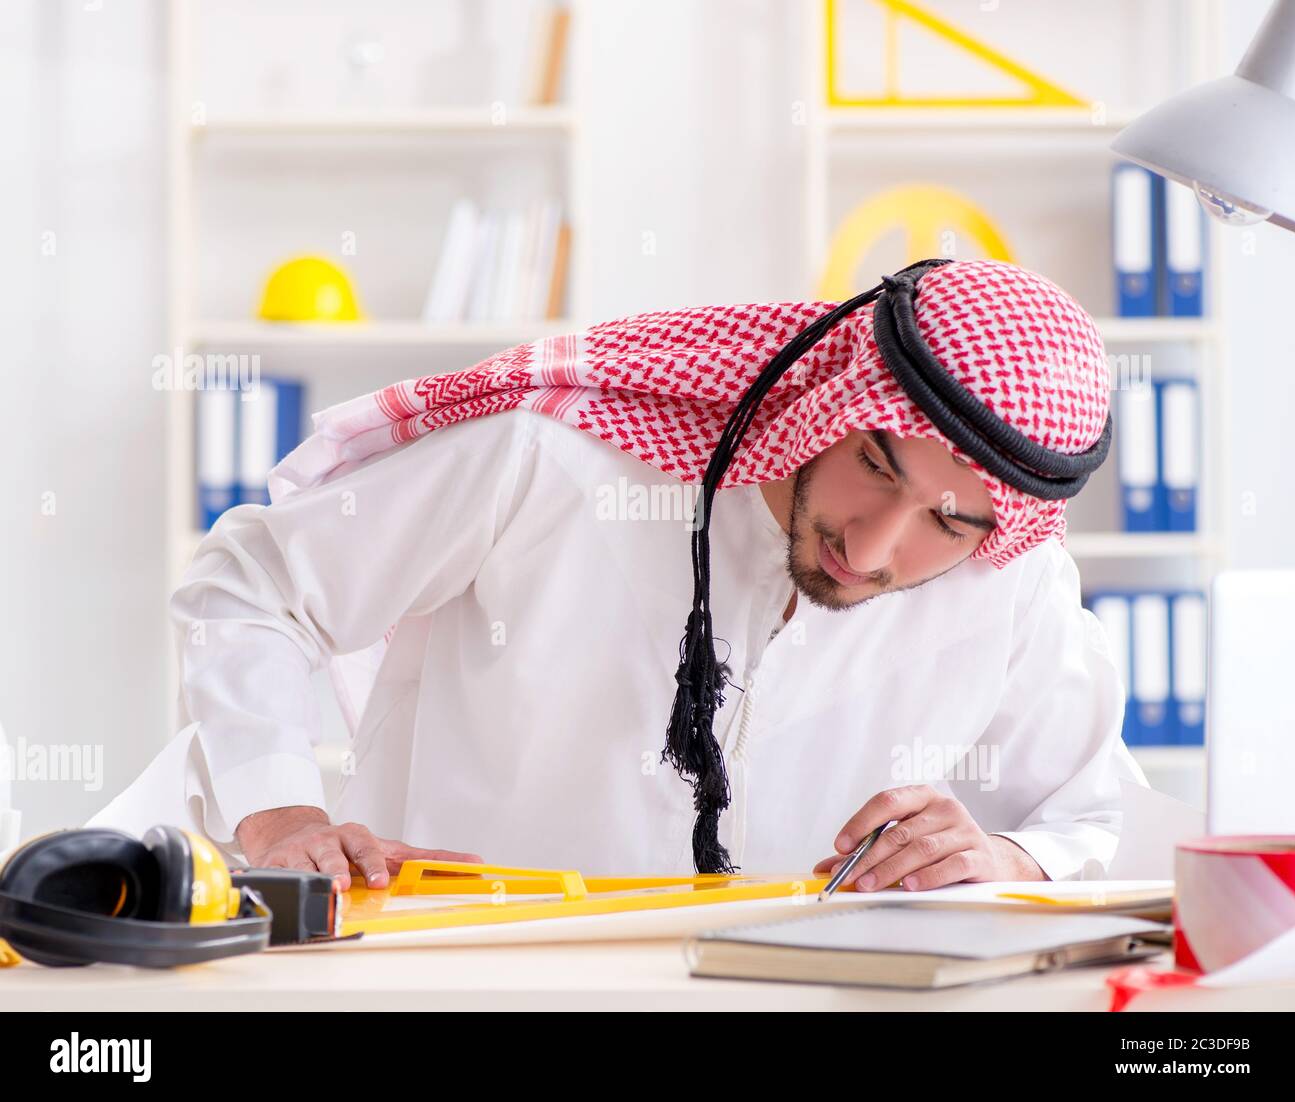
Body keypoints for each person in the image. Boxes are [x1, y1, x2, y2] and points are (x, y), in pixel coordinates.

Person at [91, 258, 1144, 893]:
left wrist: (1004, 858)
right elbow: (251, 584)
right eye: (874, 463)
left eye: (949, 523)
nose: (870, 550)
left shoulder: (1014, 586)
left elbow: (1094, 816)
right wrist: (277, 814)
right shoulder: (546, 463)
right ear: (825, 399)